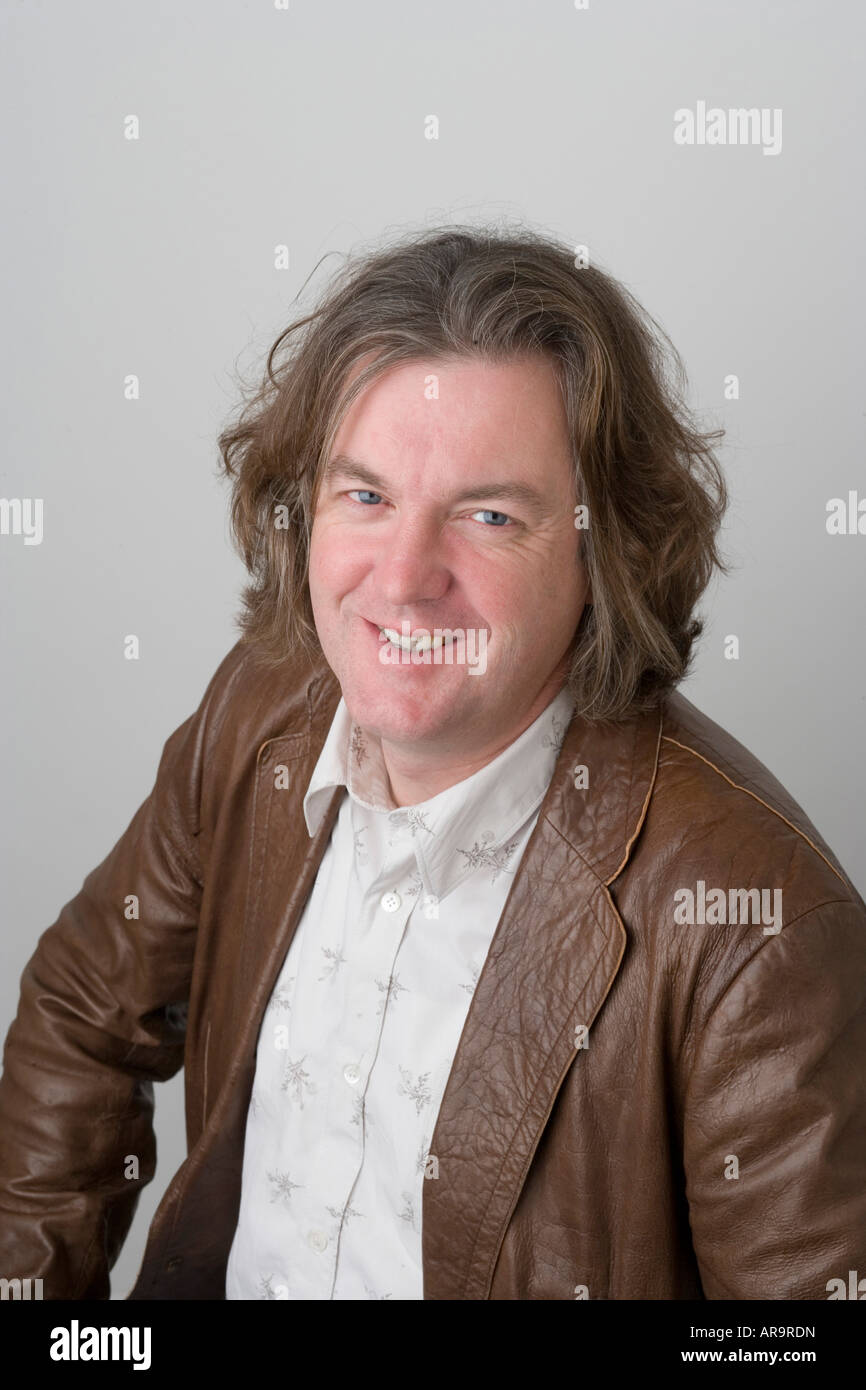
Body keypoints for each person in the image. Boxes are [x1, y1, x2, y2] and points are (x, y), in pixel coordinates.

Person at [1, 226, 864, 1301]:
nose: (403, 580)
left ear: (609, 552)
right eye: (364, 497)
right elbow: (85, 1015)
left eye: (487, 515)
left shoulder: (757, 925)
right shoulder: (258, 709)